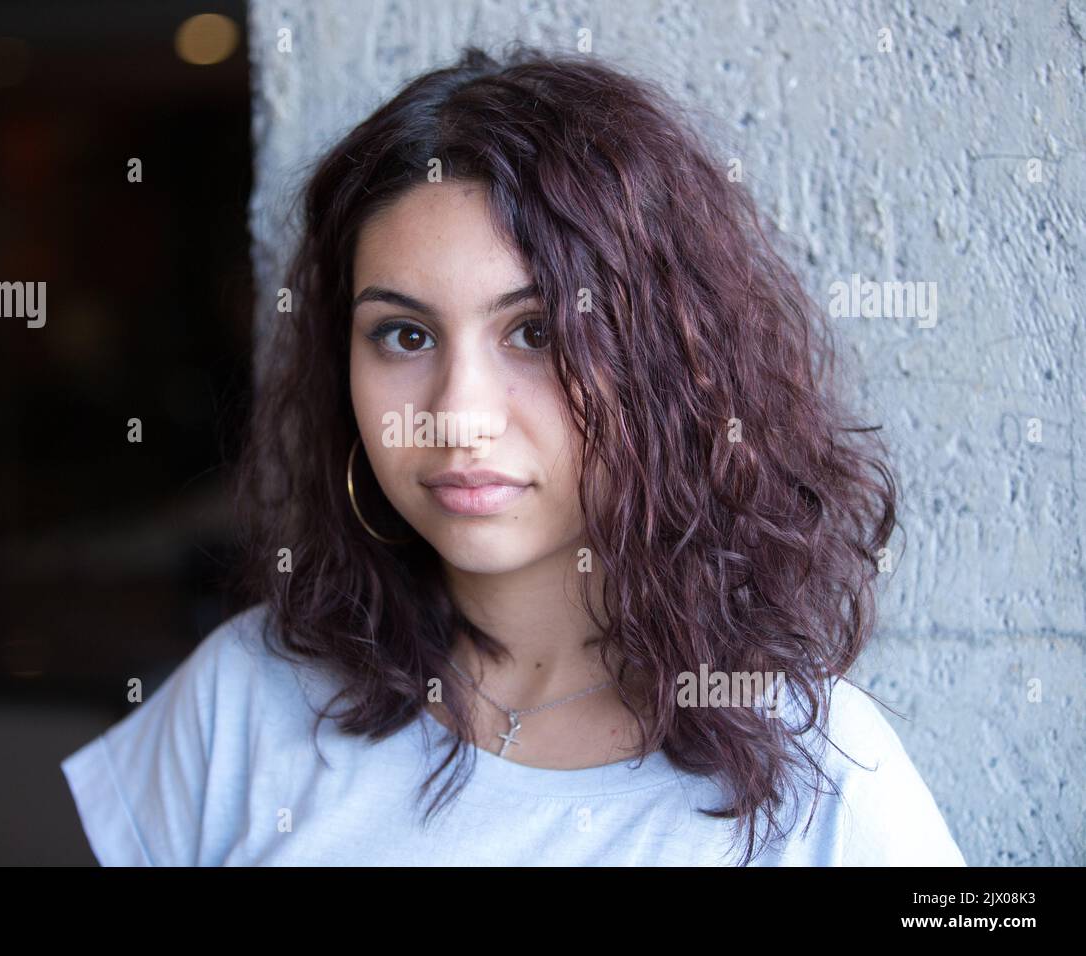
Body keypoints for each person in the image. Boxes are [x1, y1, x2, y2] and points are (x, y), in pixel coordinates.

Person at [61, 45, 966, 866]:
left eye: (534, 330)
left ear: (670, 359)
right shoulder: (245, 700)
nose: (458, 417)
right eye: (405, 335)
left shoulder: (819, 784)